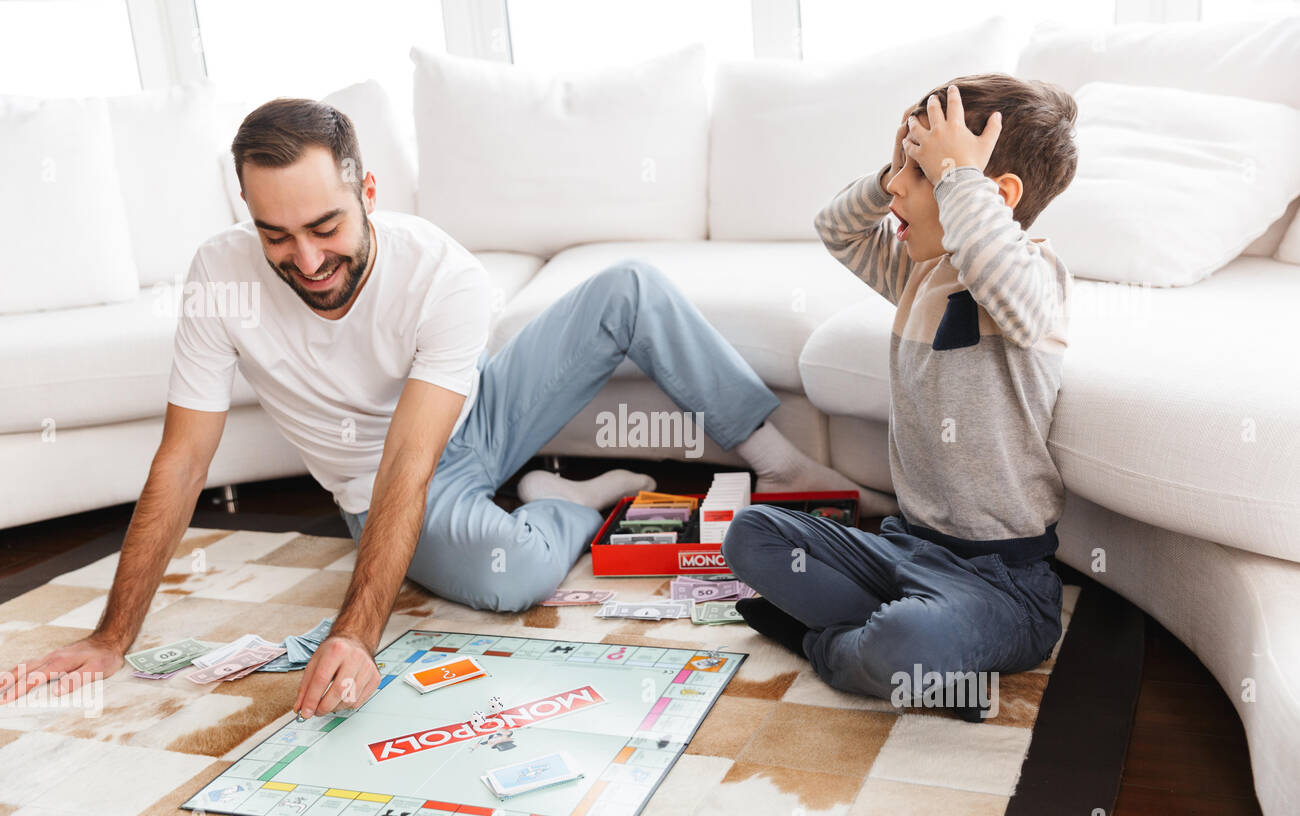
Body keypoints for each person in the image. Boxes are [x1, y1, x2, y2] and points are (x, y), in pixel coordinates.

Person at [0, 97, 873, 717]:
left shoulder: (441, 273)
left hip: (470, 417)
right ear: (247, 217)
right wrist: (111, 637)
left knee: (629, 287)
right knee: (512, 577)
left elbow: (418, 452)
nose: (307, 260)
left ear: (368, 192)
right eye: (276, 236)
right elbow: (184, 459)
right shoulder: (219, 277)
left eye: (326, 227)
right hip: (380, 485)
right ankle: (570, 504)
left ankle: (778, 463)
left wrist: (355, 634)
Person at [722, 75, 1079, 721]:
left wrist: (958, 176)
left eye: (921, 174)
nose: (895, 190)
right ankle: (902, 649)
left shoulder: (1034, 276)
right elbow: (837, 229)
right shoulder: (921, 274)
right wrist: (901, 166)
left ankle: (828, 643)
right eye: (902, 169)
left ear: (992, 196)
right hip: (905, 549)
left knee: (907, 640)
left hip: (1002, 584)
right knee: (751, 535)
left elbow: (1004, 283)